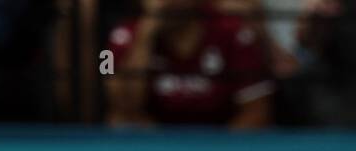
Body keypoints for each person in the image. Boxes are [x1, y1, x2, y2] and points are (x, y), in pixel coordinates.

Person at [105, 0, 275, 127]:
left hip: (219, 144)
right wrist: (145, 36)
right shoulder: (126, 34)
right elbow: (123, 108)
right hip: (155, 145)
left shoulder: (231, 31)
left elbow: (256, 111)